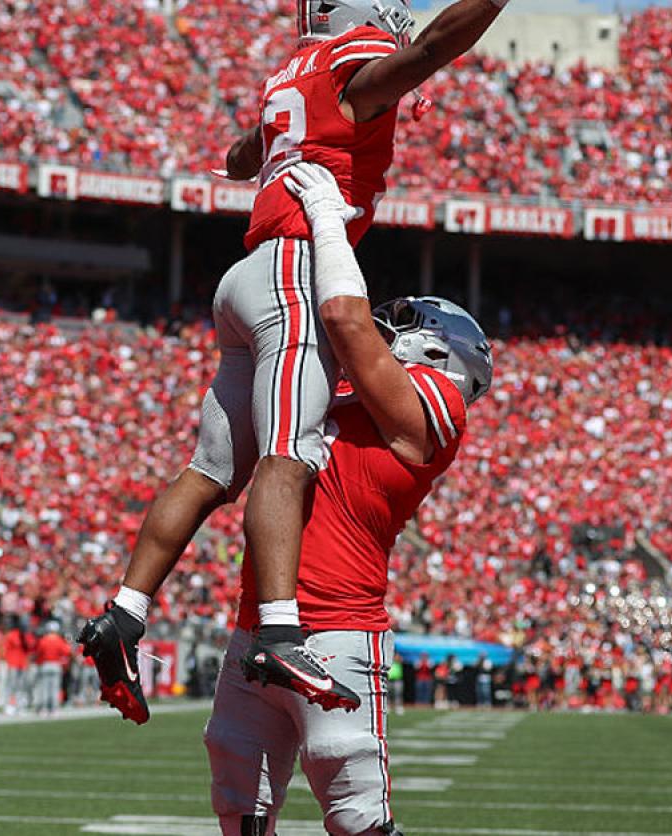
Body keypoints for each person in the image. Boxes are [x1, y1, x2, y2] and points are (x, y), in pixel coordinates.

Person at [78, 0, 512, 723]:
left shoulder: (294, 68)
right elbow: (433, 48)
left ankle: (123, 614)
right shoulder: (352, 71)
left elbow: (240, 156)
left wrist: (271, 151)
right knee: (291, 451)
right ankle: (281, 629)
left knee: (213, 469)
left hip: (246, 274)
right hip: (295, 270)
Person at [204, 161, 492, 835]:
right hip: (259, 624)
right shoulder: (339, 391)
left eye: (404, 321)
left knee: (358, 818)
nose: (388, 324)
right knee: (239, 808)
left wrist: (329, 223)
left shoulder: (436, 407)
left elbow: (343, 316)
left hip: (336, 627)